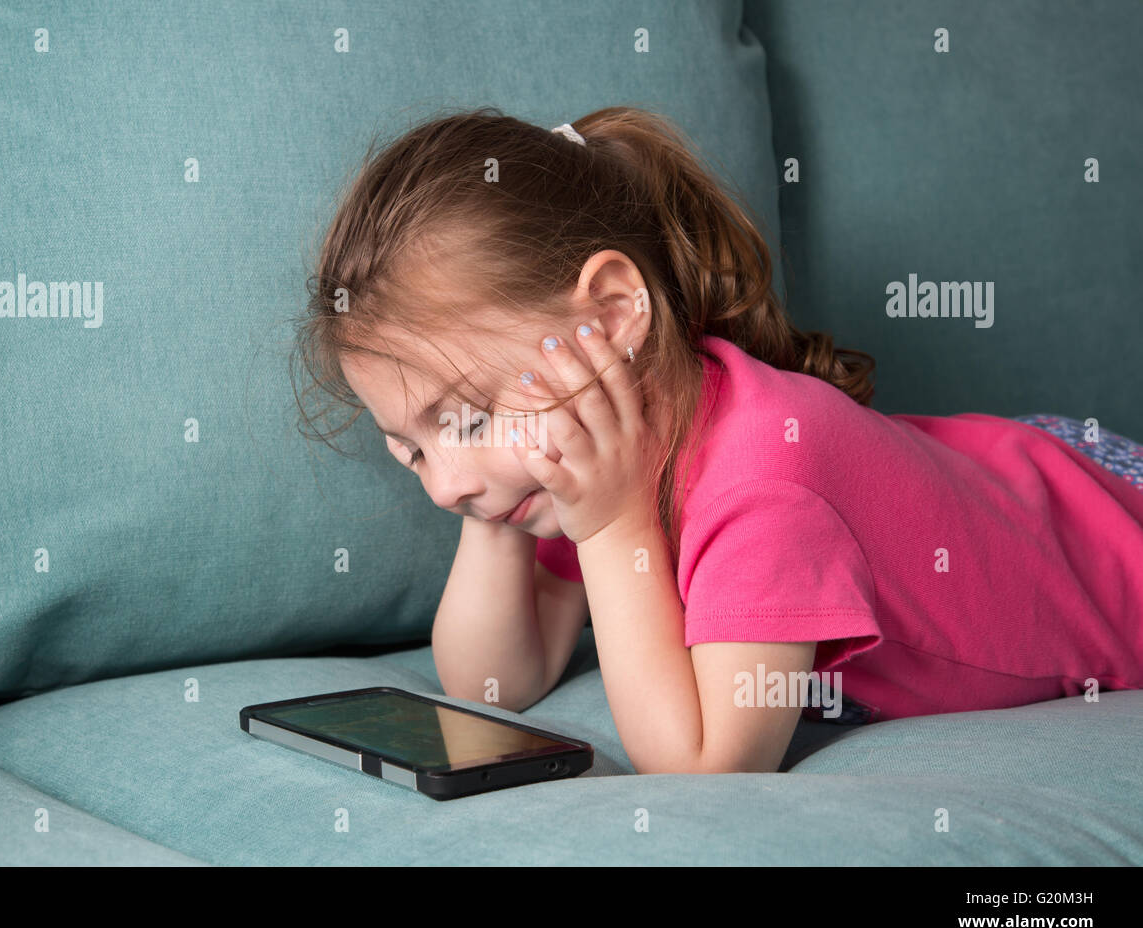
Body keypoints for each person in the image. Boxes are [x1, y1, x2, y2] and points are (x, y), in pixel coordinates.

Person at [291, 105, 1143, 774]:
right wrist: (486, 504)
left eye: (467, 416)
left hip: (1100, 533)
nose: (439, 484)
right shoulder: (596, 446)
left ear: (616, 315)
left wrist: (619, 529)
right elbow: (496, 682)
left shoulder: (761, 483)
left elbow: (705, 763)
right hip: (1002, 471)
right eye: (410, 449)